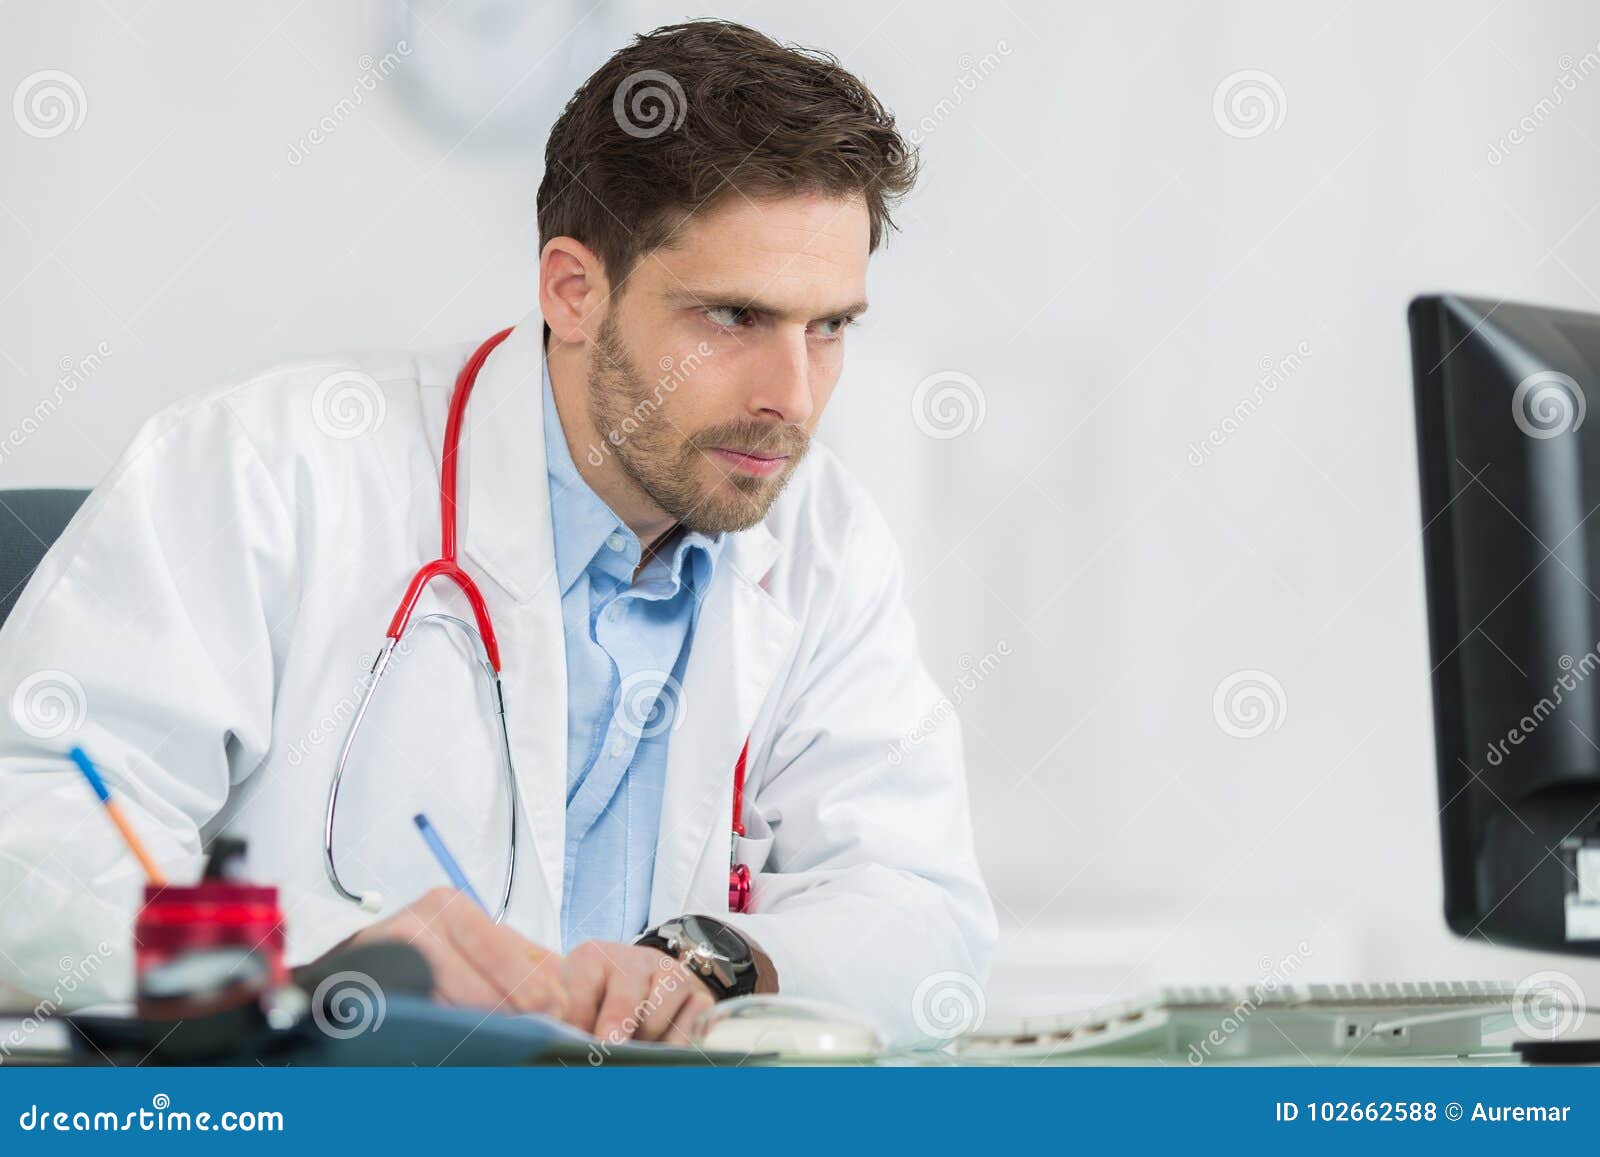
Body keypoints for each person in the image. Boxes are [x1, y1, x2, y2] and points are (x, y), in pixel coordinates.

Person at [0, 19, 994, 1047]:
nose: (791, 396)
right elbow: (27, 839)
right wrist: (325, 964)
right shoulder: (272, 469)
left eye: (828, 325)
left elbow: (926, 919)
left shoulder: (827, 542)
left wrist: (716, 956)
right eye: (733, 317)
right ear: (573, 289)